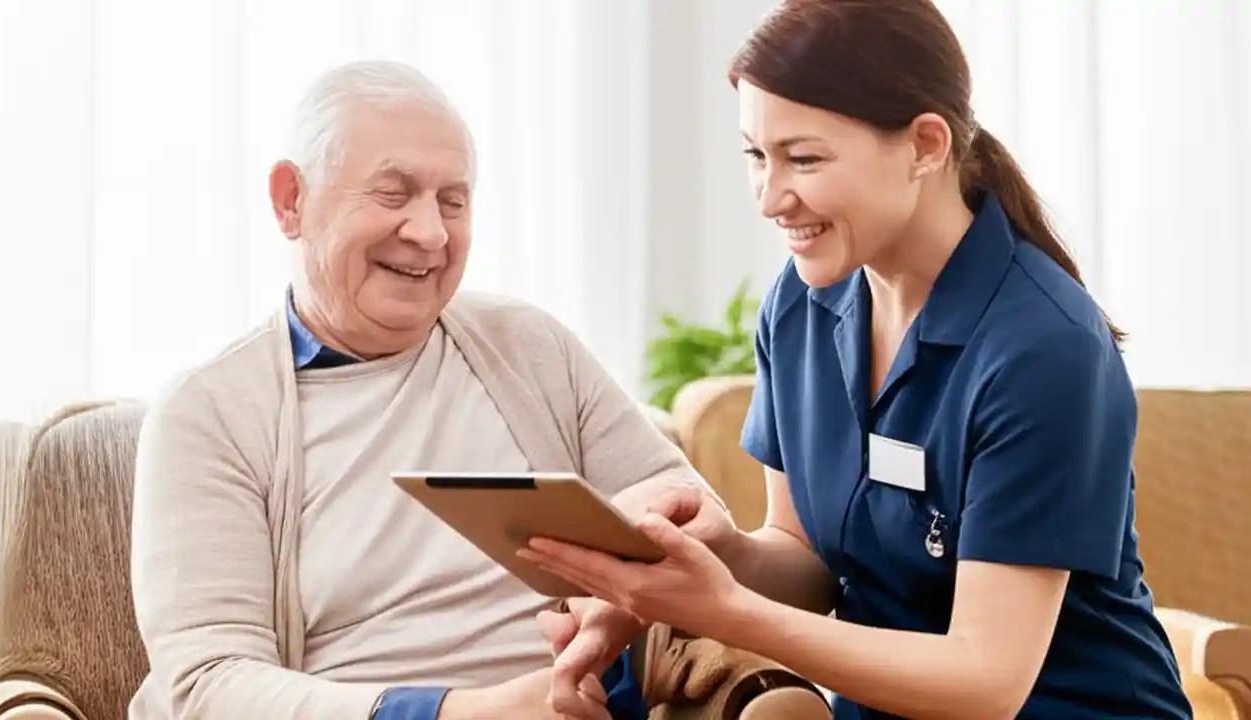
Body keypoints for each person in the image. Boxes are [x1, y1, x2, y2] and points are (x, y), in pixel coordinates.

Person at [520, 1, 1194, 718]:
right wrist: (718, 557)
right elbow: (804, 556)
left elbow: (986, 680)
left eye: (803, 158)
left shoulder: (1045, 349)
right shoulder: (803, 302)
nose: (770, 198)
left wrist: (721, 610)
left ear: (925, 145)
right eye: (756, 155)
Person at [126, 60, 731, 720]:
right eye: (393, 195)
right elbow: (208, 683)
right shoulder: (209, 413)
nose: (431, 234)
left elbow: (706, 534)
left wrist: (666, 526)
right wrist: (468, 711)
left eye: (454, 201)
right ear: (289, 200)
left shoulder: (529, 347)